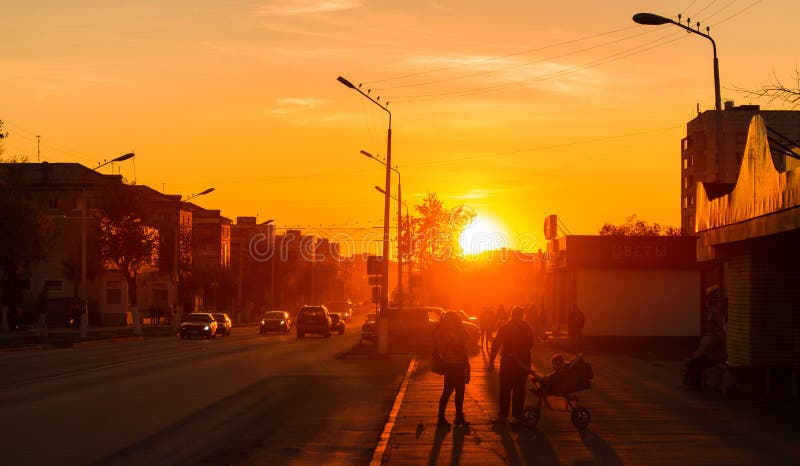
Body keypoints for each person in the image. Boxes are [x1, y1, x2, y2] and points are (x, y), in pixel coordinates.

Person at [488, 306, 534, 423]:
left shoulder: (526, 328)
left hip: (521, 363)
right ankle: (502, 415)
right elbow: (496, 344)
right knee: (504, 389)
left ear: (522, 317)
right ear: (512, 316)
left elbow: (530, 344)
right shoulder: (504, 329)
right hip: (507, 363)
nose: (517, 319)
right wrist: (491, 360)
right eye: (515, 316)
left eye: (519, 316)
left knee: (519, 390)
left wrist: (518, 353)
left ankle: (517, 415)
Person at [433, 311, 471, 427]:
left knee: (460, 391)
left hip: (460, 363)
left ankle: (458, 416)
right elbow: (450, 347)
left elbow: (465, 344)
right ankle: (441, 418)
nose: (455, 322)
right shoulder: (444, 332)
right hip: (450, 364)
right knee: (448, 391)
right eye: (452, 320)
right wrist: (457, 345)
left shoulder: (458, 330)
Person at [684, 319, 726, 389]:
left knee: (695, 362)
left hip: (714, 359)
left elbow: (704, 348)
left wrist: (694, 356)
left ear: (712, 326)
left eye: (708, 325)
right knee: (696, 361)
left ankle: (693, 383)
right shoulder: (715, 335)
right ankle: (692, 383)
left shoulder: (713, 336)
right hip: (715, 357)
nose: (706, 327)